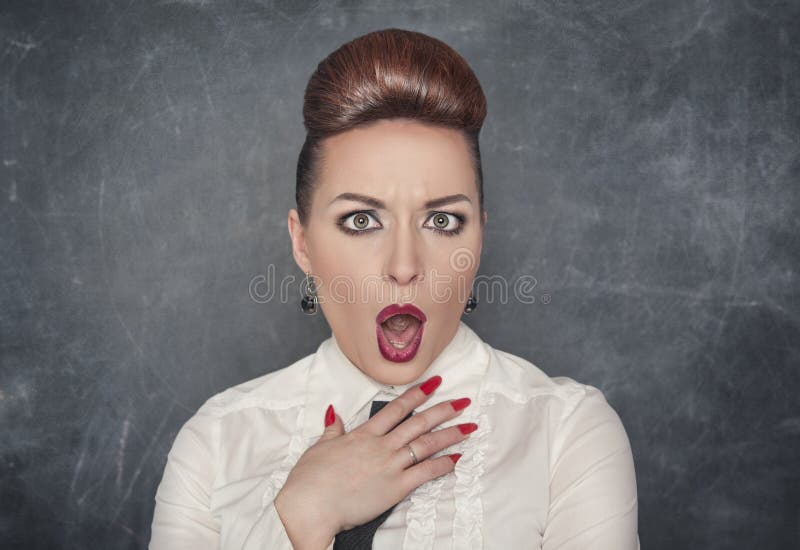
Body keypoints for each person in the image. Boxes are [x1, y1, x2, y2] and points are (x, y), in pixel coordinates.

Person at [149, 28, 639, 550]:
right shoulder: (217, 441)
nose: (404, 266)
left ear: (477, 242)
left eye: (443, 221)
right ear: (302, 244)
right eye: (361, 221)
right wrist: (300, 517)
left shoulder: (567, 432)